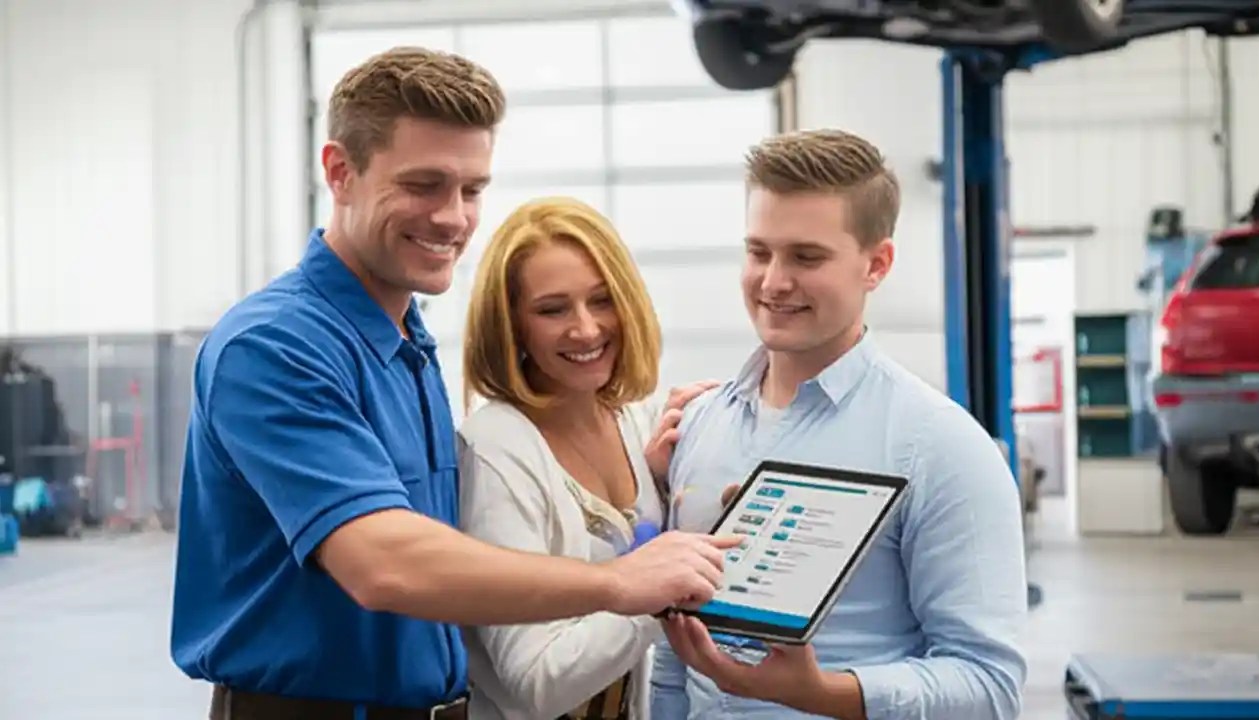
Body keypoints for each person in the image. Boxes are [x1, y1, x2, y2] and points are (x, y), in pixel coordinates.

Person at [168, 47, 735, 720]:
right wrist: (617, 582)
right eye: (423, 184)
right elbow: (384, 564)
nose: (453, 218)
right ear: (339, 171)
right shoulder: (275, 347)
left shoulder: (405, 342)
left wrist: (641, 497)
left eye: (471, 189)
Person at [650, 129, 1028, 720]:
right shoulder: (699, 427)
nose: (773, 282)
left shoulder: (939, 446)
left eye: (806, 257)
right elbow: (676, 656)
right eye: (758, 251)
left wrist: (823, 693)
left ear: (876, 264)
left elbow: (988, 685)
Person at [454, 196, 719, 720]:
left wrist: (677, 490)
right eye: (553, 309)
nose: (587, 329)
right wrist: (659, 593)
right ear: (512, 327)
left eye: (601, 300)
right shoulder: (494, 449)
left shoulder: (630, 419)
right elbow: (536, 682)